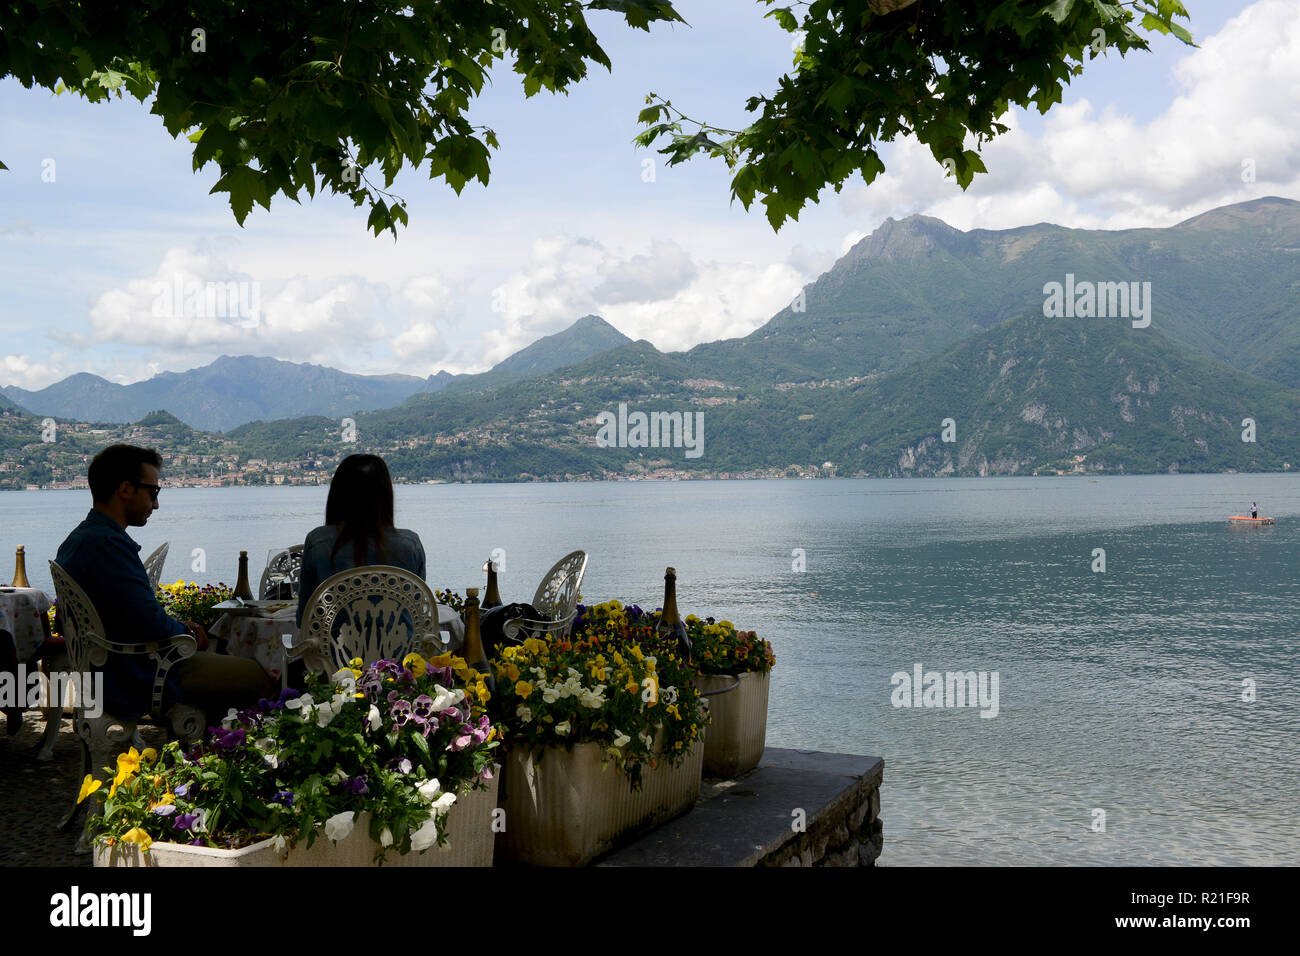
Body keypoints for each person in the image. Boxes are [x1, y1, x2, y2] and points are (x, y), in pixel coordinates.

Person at [55, 444, 274, 721]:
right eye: (153, 492)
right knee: (262, 677)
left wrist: (183, 627)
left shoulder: (80, 540)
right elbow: (151, 624)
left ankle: (212, 746)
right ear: (125, 490)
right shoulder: (109, 546)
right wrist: (189, 632)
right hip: (141, 675)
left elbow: (124, 615)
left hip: (109, 670)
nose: (156, 504)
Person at [296, 454, 429, 627]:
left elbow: (304, 619)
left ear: (338, 495)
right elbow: (418, 612)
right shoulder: (410, 545)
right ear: (385, 495)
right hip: (399, 653)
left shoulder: (318, 542)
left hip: (331, 653)